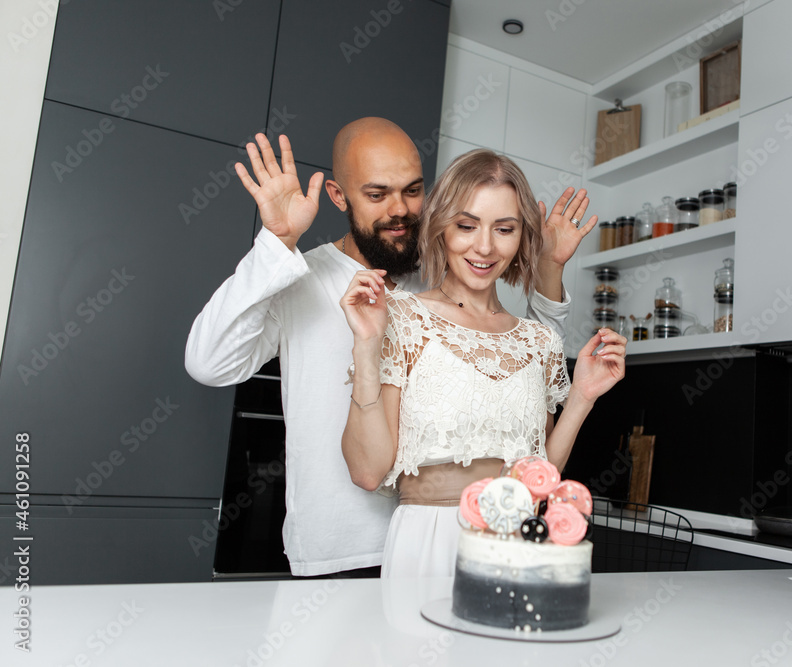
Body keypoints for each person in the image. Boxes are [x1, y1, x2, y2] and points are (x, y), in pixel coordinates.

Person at [185, 118, 597, 576]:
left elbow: (519, 373)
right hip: (339, 547)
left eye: (413, 190)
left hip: (457, 540)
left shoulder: (449, 274)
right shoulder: (299, 276)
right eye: (378, 194)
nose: (399, 210)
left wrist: (548, 270)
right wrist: (279, 243)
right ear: (340, 197)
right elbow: (210, 363)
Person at [340, 148, 627, 578]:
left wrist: (582, 397)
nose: (486, 246)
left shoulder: (538, 340)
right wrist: (366, 345)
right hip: (430, 541)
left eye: (505, 228)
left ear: (522, 236)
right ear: (440, 228)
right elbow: (367, 471)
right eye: (467, 226)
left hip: (519, 543)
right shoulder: (400, 317)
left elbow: (541, 473)